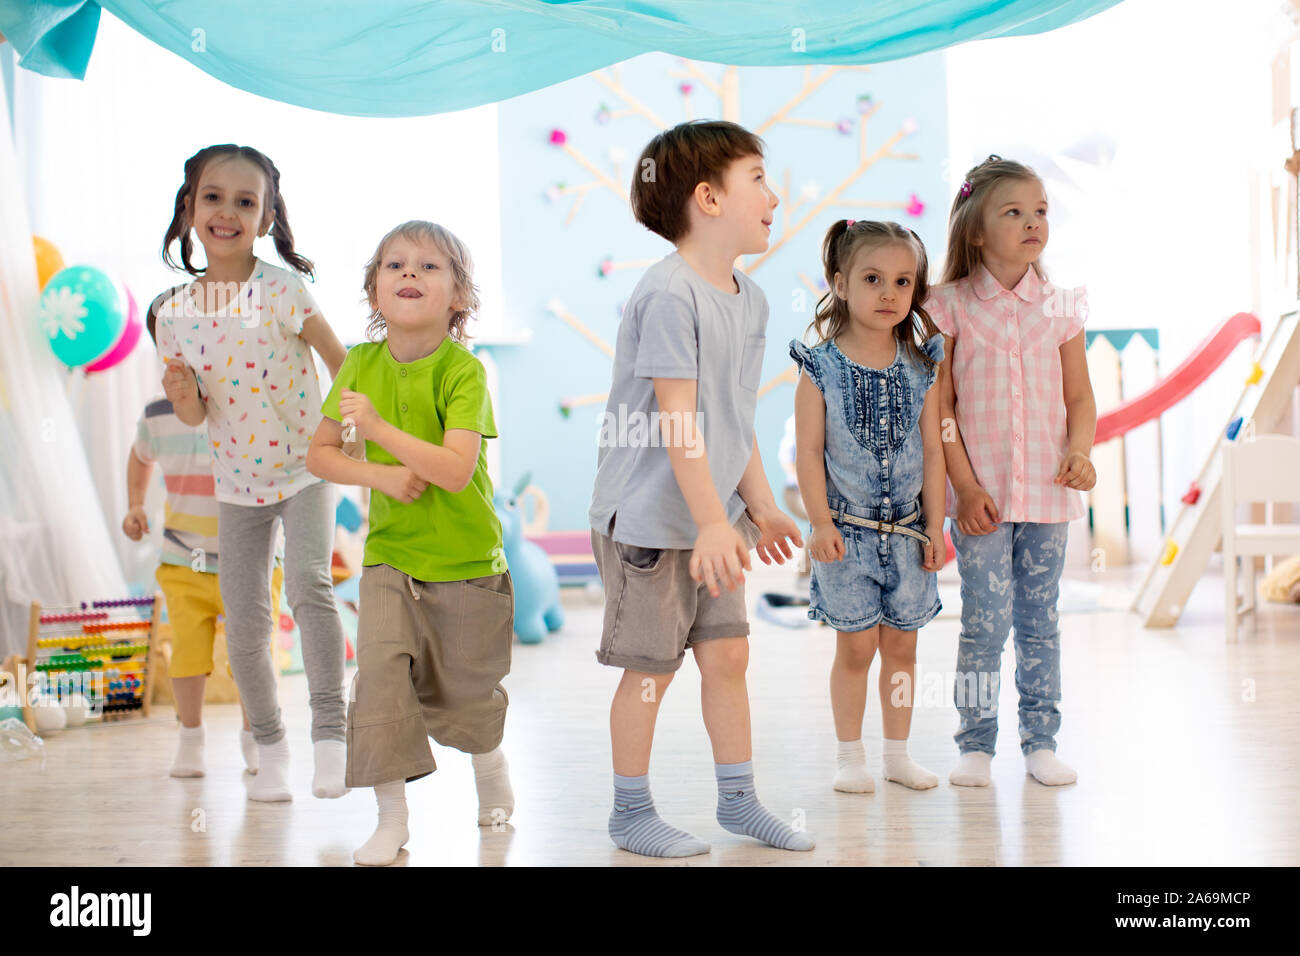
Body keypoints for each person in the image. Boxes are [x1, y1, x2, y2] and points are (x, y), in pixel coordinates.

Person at [589, 120, 811, 857]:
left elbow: (731, 418)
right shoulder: (667, 295)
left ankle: (741, 801)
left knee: (728, 657)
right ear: (709, 198)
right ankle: (629, 813)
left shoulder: (749, 300)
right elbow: (679, 421)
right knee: (651, 670)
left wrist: (763, 504)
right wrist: (715, 522)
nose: (774, 195)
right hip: (653, 525)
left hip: (712, 521)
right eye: (758, 179)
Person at [307, 220, 515, 866]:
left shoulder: (465, 371)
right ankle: (392, 819)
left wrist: (373, 427)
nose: (409, 274)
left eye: (429, 267)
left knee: (467, 694)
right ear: (374, 292)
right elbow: (319, 456)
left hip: (467, 561)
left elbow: (454, 470)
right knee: (378, 682)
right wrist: (377, 475)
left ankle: (490, 770)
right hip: (390, 559)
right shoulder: (361, 363)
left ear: (459, 297)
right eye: (395, 265)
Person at [154, 144, 350, 801]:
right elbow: (191, 415)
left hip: (305, 467)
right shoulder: (176, 313)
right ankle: (270, 748)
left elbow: (339, 359)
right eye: (213, 198)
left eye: (246, 201)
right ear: (189, 210)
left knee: (309, 588)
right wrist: (181, 390)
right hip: (236, 483)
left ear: (266, 219)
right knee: (244, 624)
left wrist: (350, 429)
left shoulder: (284, 289)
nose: (228, 212)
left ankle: (331, 737)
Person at [927, 155, 1097, 788]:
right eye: (1015, 212)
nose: (1033, 223)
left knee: (1040, 619)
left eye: (1041, 211)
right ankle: (975, 744)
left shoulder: (1061, 308)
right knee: (983, 621)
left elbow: (1080, 400)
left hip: (1049, 499)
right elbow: (940, 407)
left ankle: (1041, 741)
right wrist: (964, 487)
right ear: (976, 229)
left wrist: (1080, 450)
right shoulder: (948, 307)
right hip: (982, 501)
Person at [790, 220, 946, 794]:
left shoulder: (921, 366)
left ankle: (898, 754)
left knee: (903, 647)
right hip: (846, 538)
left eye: (902, 282)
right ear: (840, 282)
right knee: (855, 647)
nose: (888, 294)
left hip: (909, 535)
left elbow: (934, 450)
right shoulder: (820, 367)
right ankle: (849, 756)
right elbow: (808, 452)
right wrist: (819, 524)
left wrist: (936, 526)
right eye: (873, 279)